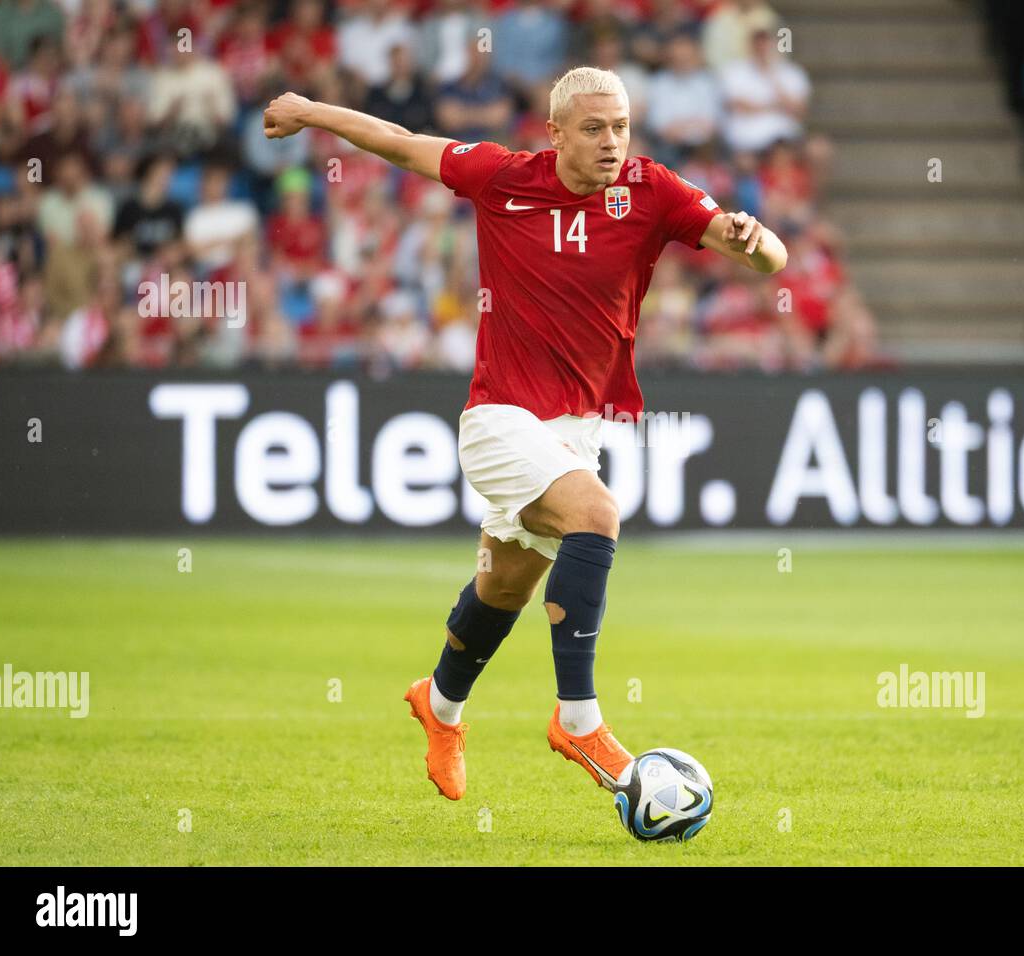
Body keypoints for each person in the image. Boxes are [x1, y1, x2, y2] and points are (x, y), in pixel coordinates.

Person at [262, 66, 787, 800]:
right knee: (597, 514)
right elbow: (402, 143)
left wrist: (756, 240)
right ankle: (578, 720)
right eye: (595, 128)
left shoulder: (650, 190)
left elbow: (766, 259)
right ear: (557, 133)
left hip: (578, 429)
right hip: (499, 418)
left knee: (504, 583)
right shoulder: (501, 177)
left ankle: (439, 707)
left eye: (622, 127)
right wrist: (314, 110)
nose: (612, 143)